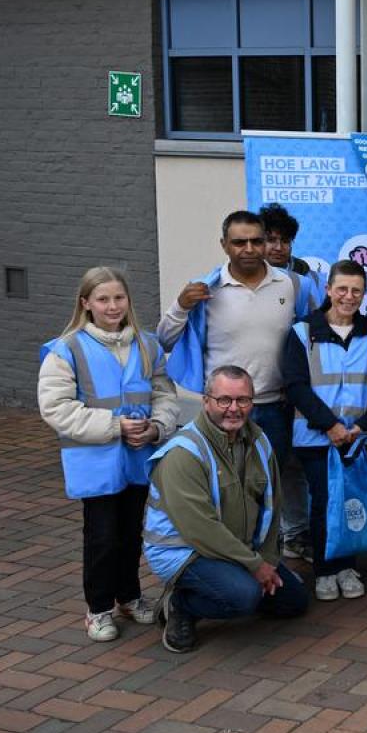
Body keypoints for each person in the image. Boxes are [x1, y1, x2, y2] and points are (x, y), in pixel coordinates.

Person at [156, 211, 317, 562]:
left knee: (274, 483)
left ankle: (275, 551)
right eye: (239, 242)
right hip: (222, 410)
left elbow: (314, 335)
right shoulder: (204, 289)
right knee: (226, 486)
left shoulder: (294, 286)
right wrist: (181, 306)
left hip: (277, 405)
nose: (249, 249)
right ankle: (230, 553)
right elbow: (164, 341)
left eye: (256, 241)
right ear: (224, 245)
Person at [38, 267, 180, 642]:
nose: (112, 306)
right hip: (95, 462)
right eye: (102, 299)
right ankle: (98, 609)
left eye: (119, 298)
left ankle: (129, 596)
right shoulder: (67, 349)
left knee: (132, 532)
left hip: (138, 457)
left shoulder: (148, 345)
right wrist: (115, 425)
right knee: (102, 538)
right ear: (86, 304)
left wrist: (156, 428)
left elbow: (165, 396)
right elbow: (56, 408)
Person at [145, 366, 308, 654]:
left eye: (243, 400)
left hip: (236, 548)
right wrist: (255, 567)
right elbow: (201, 529)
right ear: (206, 401)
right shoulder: (183, 454)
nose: (234, 409)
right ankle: (180, 605)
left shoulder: (259, 441)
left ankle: (235, 581)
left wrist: (268, 559)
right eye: (224, 400)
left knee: (294, 602)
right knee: (243, 597)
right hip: (186, 552)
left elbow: (273, 505)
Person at [280, 261, 367, 602]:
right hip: (316, 438)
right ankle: (326, 569)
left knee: (352, 500)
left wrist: (362, 426)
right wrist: (330, 425)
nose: (348, 296)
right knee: (324, 502)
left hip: (357, 436)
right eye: (342, 288)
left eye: (356, 290)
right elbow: (295, 386)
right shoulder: (301, 332)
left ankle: (347, 566)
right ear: (327, 289)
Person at [260, 202, 327, 303]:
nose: (278, 247)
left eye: (285, 241)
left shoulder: (316, 281)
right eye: (271, 240)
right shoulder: (244, 278)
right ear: (258, 242)